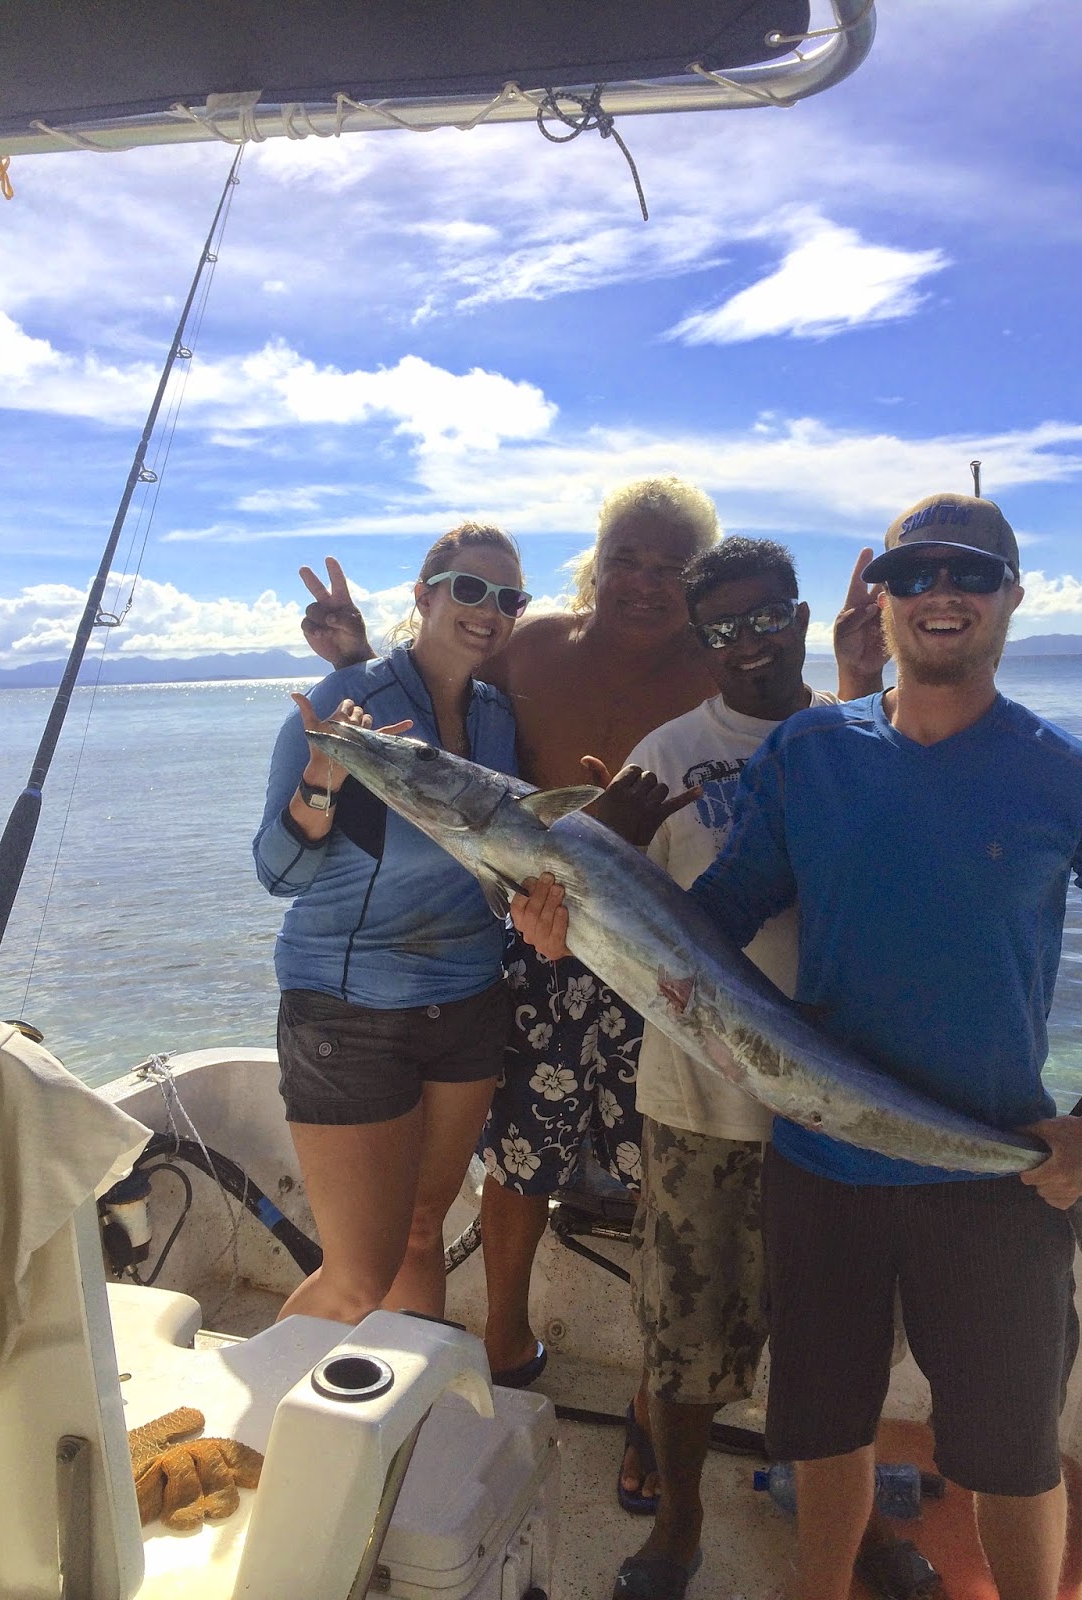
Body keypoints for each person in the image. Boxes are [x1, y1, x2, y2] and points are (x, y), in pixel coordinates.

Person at [512, 492, 1082, 1600]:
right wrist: (572, 916)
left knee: (1012, 1454)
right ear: (882, 596)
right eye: (916, 572)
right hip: (820, 1167)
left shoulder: (1080, 785)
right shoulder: (814, 752)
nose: (942, 594)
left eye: (971, 573)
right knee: (823, 1428)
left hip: (995, 1172)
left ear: (1014, 596)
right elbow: (713, 922)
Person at [298, 478, 884, 1507]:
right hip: (543, 940)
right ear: (595, 565)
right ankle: (506, 1332)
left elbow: (799, 734)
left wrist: (853, 672)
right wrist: (351, 662)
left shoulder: (720, 657)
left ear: (700, 593)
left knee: (666, 1170)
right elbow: (435, 710)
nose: (646, 581)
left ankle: (657, 1407)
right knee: (522, 1151)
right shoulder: (534, 647)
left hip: (668, 956)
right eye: (628, 558)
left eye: (670, 566)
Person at [610, 536, 837, 1600]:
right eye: (721, 628)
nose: (747, 644)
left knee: (837, 1330)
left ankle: (832, 1503)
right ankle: (682, 1526)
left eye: (764, 618)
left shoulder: (859, 736)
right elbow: (611, 913)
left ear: (798, 617)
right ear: (700, 642)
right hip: (696, 1096)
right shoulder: (663, 752)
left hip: (836, 1102)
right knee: (683, 1337)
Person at [253, 522, 529, 1326]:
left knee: (418, 1236)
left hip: (469, 1003)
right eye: (470, 589)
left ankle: (403, 1438)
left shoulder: (500, 719)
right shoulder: (345, 706)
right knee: (358, 1277)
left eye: (508, 597)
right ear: (424, 595)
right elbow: (277, 874)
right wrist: (321, 783)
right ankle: (242, 1445)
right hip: (348, 1010)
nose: (489, 609)